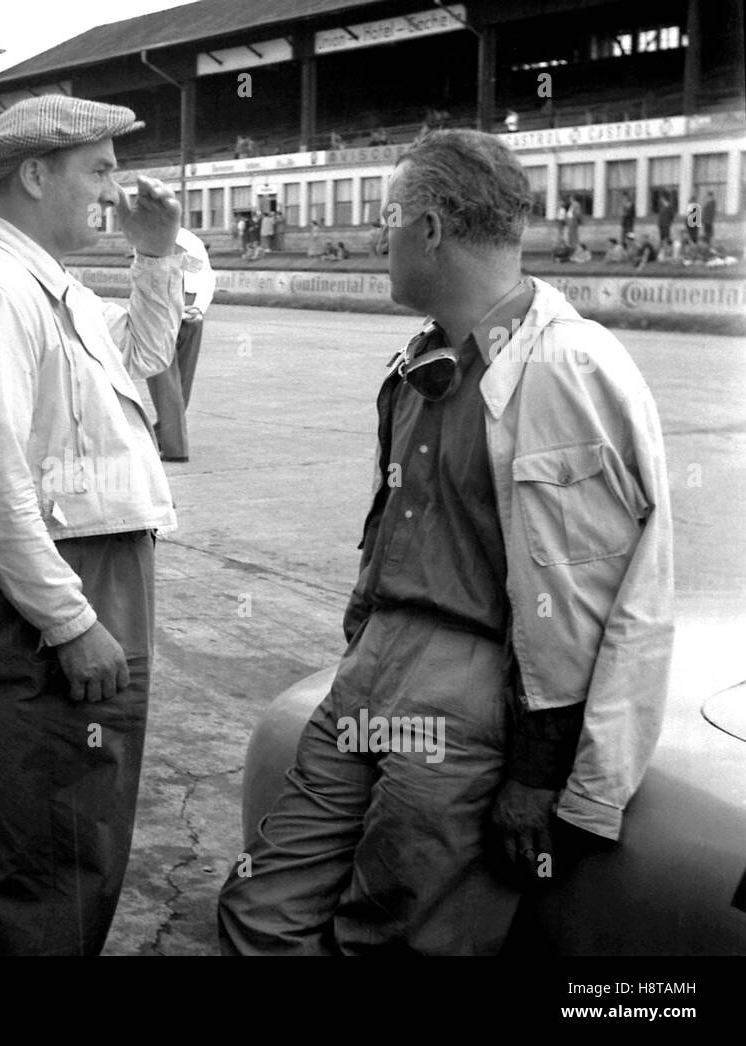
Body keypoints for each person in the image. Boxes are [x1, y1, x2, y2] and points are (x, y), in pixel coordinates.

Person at [217, 128, 673, 955]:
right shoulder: (418, 366)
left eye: (388, 218)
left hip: (467, 690)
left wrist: (542, 778)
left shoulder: (569, 369)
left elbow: (599, 598)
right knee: (260, 912)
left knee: (394, 937)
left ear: (428, 227)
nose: (377, 237)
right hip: (372, 671)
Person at [0, 95, 184, 955]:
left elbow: (144, 358)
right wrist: (70, 622)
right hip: (58, 583)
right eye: (98, 171)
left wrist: (154, 254)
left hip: (89, 567)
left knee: (77, 820)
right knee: (55, 837)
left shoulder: (43, 280)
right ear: (36, 174)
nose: (112, 190)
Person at [147, 228, 215, 463]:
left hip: (167, 312)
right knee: (181, 381)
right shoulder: (191, 239)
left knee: (163, 379)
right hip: (191, 313)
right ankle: (163, 436)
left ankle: (174, 446)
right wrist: (199, 308)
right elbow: (206, 274)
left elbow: (154, 280)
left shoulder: (156, 239)